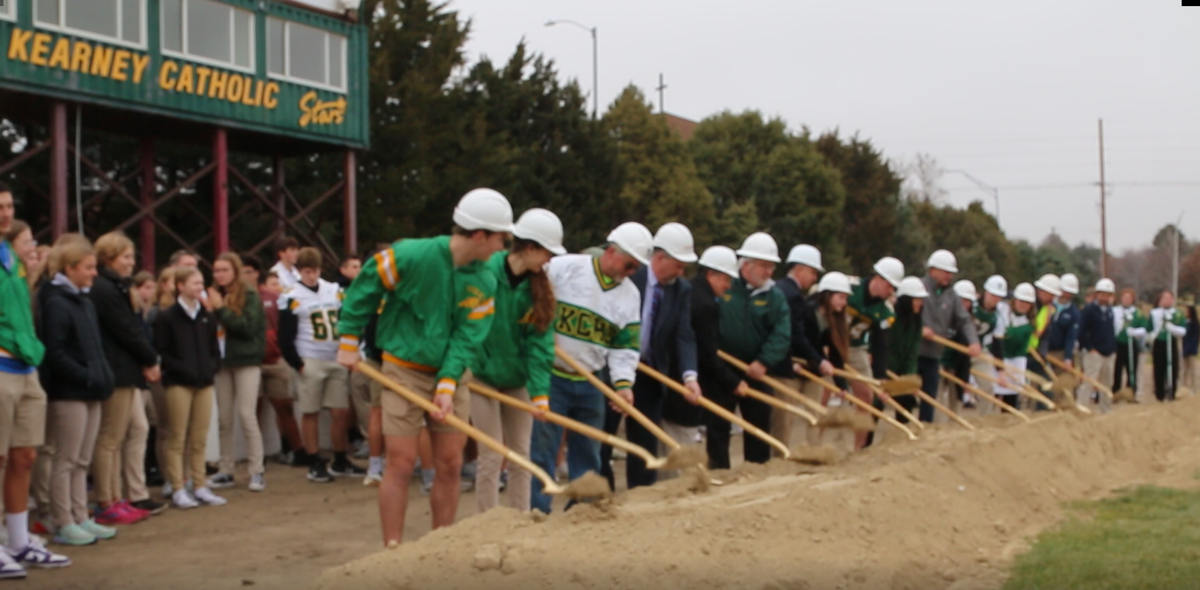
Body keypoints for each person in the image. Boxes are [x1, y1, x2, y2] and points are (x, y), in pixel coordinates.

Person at [337, 188, 512, 544]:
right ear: (479, 235)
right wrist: (348, 339)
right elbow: (365, 288)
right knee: (400, 462)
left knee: (449, 463)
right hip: (402, 368)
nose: (501, 247)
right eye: (499, 238)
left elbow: (468, 336)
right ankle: (394, 548)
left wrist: (448, 384)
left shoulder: (485, 279)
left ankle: (439, 547)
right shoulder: (409, 256)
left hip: (453, 372)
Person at [530, 221, 650, 510]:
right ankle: (538, 511)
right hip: (552, 376)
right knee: (544, 450)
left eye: (636, 268)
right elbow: (531, 295)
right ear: (611, 252)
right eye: (630, 265)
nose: (632, 273)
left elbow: (624, 346)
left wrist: (623, 385)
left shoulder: (630, 296)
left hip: (591, 382)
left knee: (588, 451)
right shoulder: (565, 268)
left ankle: (580, 511)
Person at [470, 209, 564, 511]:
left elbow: (539, 346)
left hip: (517, 378)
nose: (549, 260)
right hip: (480, 375)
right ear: (531, 247)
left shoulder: (540, 290)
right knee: (492, 453)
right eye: (547, 252)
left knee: (521, 454)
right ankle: (487, 524)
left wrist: (540, 395)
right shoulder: (483, 272)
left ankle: (520, 522)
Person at [1, 196, 70, 575]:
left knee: (24, 455)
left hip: (24, 365)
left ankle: (18, 540)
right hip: (1, 365)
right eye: (0, 208)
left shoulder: (10, 259)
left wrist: (31, 348)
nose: (7, 213)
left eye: (9, 206)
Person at [600, 223, 698, 490]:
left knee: (644, 442)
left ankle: (642, 493)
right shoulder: (630, 274)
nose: (681, 272)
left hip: (650, 374)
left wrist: (690, 376)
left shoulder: (681, 290)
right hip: (612, 370)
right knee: (603, 436)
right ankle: (599, 491)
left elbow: (683, 335)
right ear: (660, 257)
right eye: (678, 265)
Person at [41, 240, 118, 546]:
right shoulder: (57, 302)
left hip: (92, 390)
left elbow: (95, 347)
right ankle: (63, 521)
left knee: (82, 459)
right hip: (70, 392)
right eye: (88, 267)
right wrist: (86, 377)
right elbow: (56, 351)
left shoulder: (84, 302)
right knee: (67, 459)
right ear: (70, 268)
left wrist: (101, 377)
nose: (94, 273)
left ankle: (80, 515)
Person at [89, 232, 162, 525]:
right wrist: (150, 358)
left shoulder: (114, 287)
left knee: (121, 435)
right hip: (117, 369)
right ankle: (107, 500)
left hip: (124, 368)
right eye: (126, 257)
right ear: (109, 258)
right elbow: (126, 330)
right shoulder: (106, 290)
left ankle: (117, 497)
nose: (131, 263)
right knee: (110, 438)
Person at [279, 248, 363, 482]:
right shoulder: (291, 295)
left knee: (340, 411)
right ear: (299, 271)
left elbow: (347, 318)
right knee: (310, 411)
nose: (312, 276)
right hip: (310, 358)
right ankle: (314, 459)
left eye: (315, 271)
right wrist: (297, 363)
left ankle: (339, 457)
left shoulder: (333, 291)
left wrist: (349, 348)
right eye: (307, 271)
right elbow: (284, 335)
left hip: (334, 357)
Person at [712, 232, 790, 468]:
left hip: (756, 371)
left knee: (758, 426)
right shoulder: (725, 286)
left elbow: (782, 332)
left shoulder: (774, 297)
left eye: (772, 267)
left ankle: (756, 472)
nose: (769, 273)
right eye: (764, 266)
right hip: (722, 369)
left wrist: (764, 361)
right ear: (746, 265)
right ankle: (718, 472)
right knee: (718, 426)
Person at [662, 246, 739, 478]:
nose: (728, 287)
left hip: (674, 374)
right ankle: (679, 482)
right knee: (681, 435)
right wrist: (733, 381)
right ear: (711, 274)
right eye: (725, 280)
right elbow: (707, 353)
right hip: (685, 380)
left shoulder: (689, 290)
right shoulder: (704, 304)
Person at [155, 267, 225, 509]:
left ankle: (200, 484)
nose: (199, 287)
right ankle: (177, 487)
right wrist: (182, 370)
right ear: (180, 286)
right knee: (177, 437)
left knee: (199, 438)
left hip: (204, 383)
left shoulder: (207, 316)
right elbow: (162, 351)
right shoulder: (167, 317)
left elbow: (214, 349)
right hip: (178, 384)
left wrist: (210, 368)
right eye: (194, 283)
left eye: (201, 283)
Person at [207, 253, 268, 492]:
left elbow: (246, 327)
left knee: (246, 415)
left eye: (224, 270)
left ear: (235, 271)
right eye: (216, 270)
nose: (219, 275)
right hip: (222, 361)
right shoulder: (213, 295)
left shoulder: (250, 295)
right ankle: (226, 469)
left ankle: (257, 470)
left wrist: (221, 310)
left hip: (246, 360)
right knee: (224, 418)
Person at [770, 244, 829, 451]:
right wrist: (818, 360)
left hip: (779, 361)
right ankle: (779, 458)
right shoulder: (792, 295)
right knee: (782, 421)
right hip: (783, 365)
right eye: (813, 272)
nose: (814, 278)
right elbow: (795, 335)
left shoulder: (778, 288)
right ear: (800, 269)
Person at [844, 256, 903, 447]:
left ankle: (859, 448)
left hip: (856, 347)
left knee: (867, 397)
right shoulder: (849, 287)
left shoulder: (886, 311)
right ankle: (816, 440)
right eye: (890, 286)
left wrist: (881, 375)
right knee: (828, 392)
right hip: (830, 344)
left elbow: (881, 343)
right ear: (879, 279)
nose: (891, 291)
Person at [917, 250, 979, 422]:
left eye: (951, 273)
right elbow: (905, 315)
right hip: (914, 352)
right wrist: (920, 329)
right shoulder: (918, 287)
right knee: (907, 396)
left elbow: (964, 320)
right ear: (933, 270)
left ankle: (924, 431)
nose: (949, 276)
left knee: (930, 398)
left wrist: (973, 342)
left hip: (934, 354)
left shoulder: (951, 296)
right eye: (946, 272)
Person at [257, 271, 306, 467]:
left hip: (276, 359)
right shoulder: (239, 298)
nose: (276, 286)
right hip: (252, 361)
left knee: (285, 407)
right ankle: (257, 455)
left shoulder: (276, 300)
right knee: (253, 411)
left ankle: (297, 450)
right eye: (272, 283)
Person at [804, 272, 854, 444]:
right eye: (840, 297)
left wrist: (841, 384)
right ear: (828, 295)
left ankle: (814, 449)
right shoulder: (807, 311)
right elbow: (800, 341)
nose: (844, 302)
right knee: (785, 416)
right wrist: (816, 360)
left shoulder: (833, 319)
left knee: (815, 413)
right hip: (794, 366)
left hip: (813, 369)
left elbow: (835, 353)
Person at [887, 277, 930, 422]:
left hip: (903, 369)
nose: (920, 303)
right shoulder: (891, 318)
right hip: (885, 369)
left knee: (906, 402)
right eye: (917, 299)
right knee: (876, 404)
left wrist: (909, 377)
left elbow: (913, 352)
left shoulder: (916, 322)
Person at [994, 283, 1038, 409]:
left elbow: (1020, 352)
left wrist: (1018, 374)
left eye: (1027, 302)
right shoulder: (1002, 311)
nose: (1023, 305)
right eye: (1021, 301)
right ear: (1015, 300)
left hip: (1013, 360)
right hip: (995, 357)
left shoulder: (1028, 325)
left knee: (1011, 393)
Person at [1079, 279, 1118, 411]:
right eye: (1102, 294)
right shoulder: (1089, 310)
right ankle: (1082, 407)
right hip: (1094, 353)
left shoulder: (1110, 311)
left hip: (1109, 352)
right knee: (1089, 382)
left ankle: (1106, 409)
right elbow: (1082, 331)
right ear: (1097, 294)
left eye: (1108, 294)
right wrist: (1090, 348)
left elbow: (1111, 330)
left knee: (1107, 383)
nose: (1105, 297)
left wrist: (1113, 348)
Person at [1148, 291, 1188, 402]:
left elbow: (1183, 330)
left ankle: (1172, 390)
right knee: (1158, 367)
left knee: (1173, 366)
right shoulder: (1154, 313)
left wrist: (1172, 328)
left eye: (1169, 298)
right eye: (1164, 298)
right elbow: (1149, 329)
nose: (1167, 300)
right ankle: (1159, 392)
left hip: (1172, 341)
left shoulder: (1177, 313)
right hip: (1159, 342)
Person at [1113, 288, 1148, 394]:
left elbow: (1144, 329)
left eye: (1129, 298)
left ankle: (1131, 390)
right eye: (1125, 297)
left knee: (1131, 368)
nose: (1126, 300)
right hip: (1118, 343)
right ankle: (1116, 390)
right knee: (1117, 368)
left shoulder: (1137, 313)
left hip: (1131, 344)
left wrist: (1134, 332)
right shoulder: (1115, 311)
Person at [1045, 273, 1081, 370]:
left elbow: (1071, 337)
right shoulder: (1047, 305)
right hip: (1042, 350)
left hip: (1059, 353)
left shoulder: (1074, 313)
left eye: (1070, 293)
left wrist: (1067, 357)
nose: (1067, 295)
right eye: (1065, 291)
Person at [1184, 303, 1199, 393]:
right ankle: (1184, 386)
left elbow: (1195, 338)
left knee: (1192, 370)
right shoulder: (1185, 322)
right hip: (1185, 348)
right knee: (1184, 370)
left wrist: (1192, 348)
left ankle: (1194, 387)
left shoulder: (1195, 324)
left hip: (1191, 349)